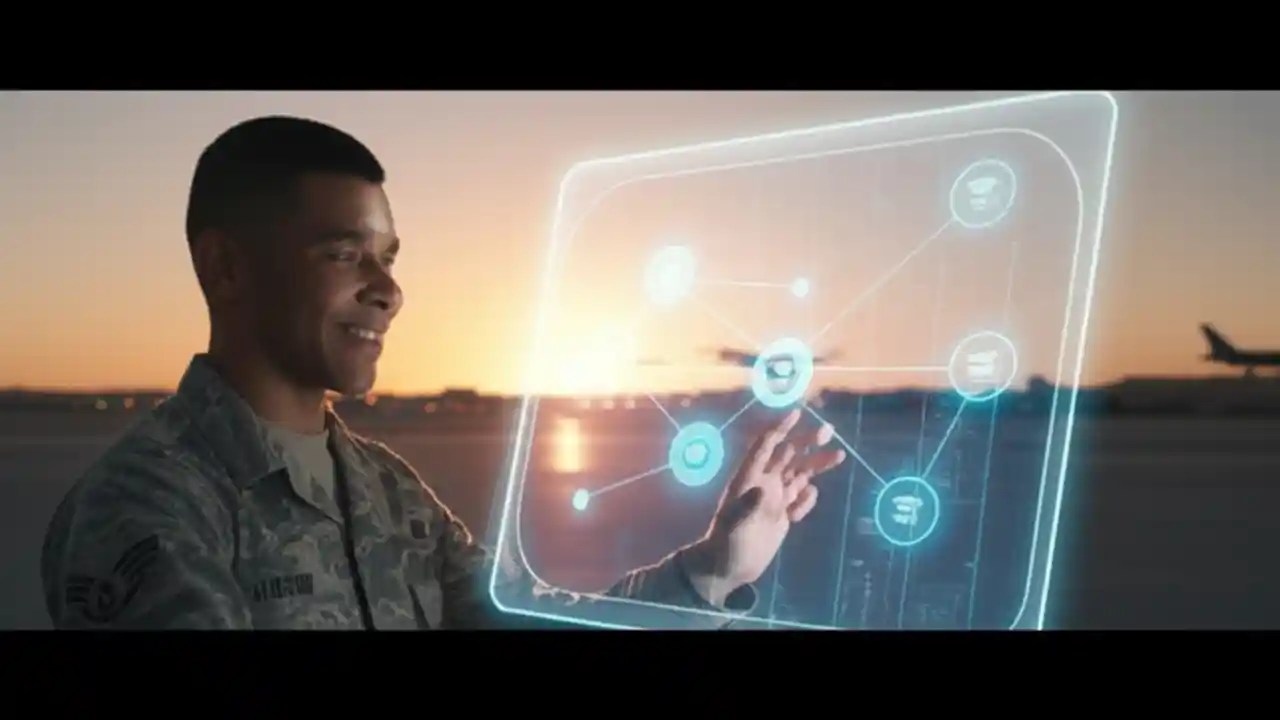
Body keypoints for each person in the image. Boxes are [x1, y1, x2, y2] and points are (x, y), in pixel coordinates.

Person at [39, 115, 847, 630]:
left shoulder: (386, 489)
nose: (388, 293)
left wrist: (710, 571)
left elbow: (517, 621)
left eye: (389, 259)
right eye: (344, 255)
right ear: (226, 267)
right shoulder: (151, 505)